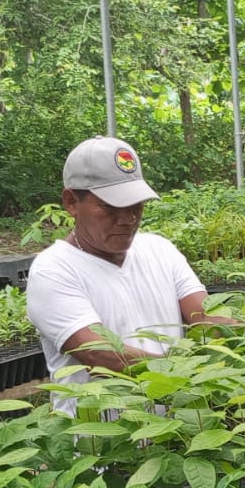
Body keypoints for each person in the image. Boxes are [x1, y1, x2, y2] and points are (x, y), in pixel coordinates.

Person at [26, 136, 230, 413]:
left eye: (136, 205)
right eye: (110, 207)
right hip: (102, 446)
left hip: (173, 436)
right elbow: (100, 355)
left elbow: (205, 317)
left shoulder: (159, 249)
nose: (128, 219)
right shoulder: (53, 270)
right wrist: (190, 377)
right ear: (71, 202)